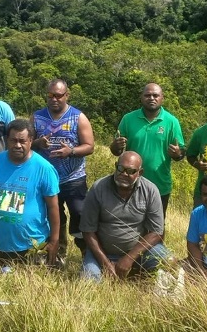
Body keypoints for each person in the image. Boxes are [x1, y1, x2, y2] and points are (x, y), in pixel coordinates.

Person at [0, 119, 60, 266]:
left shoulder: (44, 168)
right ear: (6, 140)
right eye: (13, 140)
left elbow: (53, 208)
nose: (17, 145)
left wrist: (54, 241)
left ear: (31, 141)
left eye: (22, 141)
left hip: (32, 247)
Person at [79, 151, 173, 281]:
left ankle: (135, 271)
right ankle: (110, 268)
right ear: (116, 166)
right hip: (103, 253)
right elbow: (87, 230)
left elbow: (156, 232)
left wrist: (129, 259)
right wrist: (105, 264)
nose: (124, 174)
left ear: (140, 173)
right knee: (89, 281)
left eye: (130, 171)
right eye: (121, 168)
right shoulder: (98, 188)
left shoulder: (150, 190)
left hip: (138, 253)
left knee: (168, 262)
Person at [32, 78, 95, 259]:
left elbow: (89, 146)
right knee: (54, 216)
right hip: (46, 178)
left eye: (58, 95)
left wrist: (71, 151)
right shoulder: (37, 117)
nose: (54, 99)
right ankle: (58, 252)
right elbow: (27, 143)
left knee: (80, 213)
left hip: (73, 178)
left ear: (66, 95)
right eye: (50, 95)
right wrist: (38, 142)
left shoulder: (78, 117)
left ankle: (85, 251)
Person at [110, 83, 185, 217]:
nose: (151, 98)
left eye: (155, 95)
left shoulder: (171, 121)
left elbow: (181, 153)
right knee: (131, 221)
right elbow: (117, 151)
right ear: (141, 97)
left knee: (157, 225)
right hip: (131, 182)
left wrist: (178, 154)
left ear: (162, 98)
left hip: (160, 184)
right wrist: (115, 146)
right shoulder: (128, 119)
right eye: (147, 95)